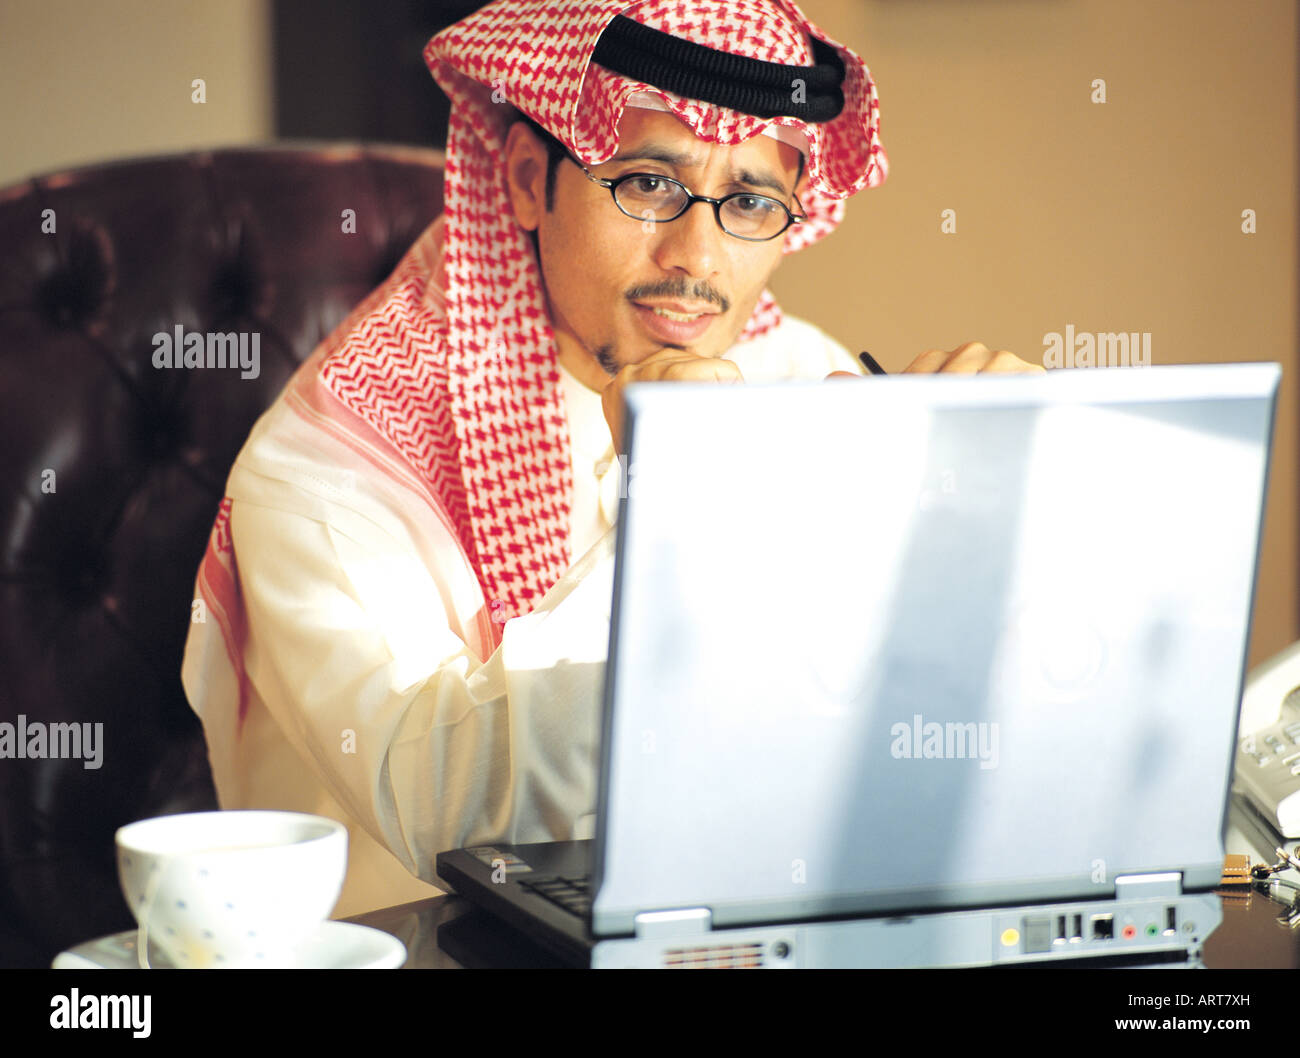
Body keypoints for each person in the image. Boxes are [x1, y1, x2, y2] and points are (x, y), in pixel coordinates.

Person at [182, 0, 1040, 917]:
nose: (696, 257)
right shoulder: (327, 467)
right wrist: (675, 504)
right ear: (522, 180)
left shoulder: (799, 374)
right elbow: (453, 822)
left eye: (749, 201)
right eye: (645, 184)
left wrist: (1029, 512)